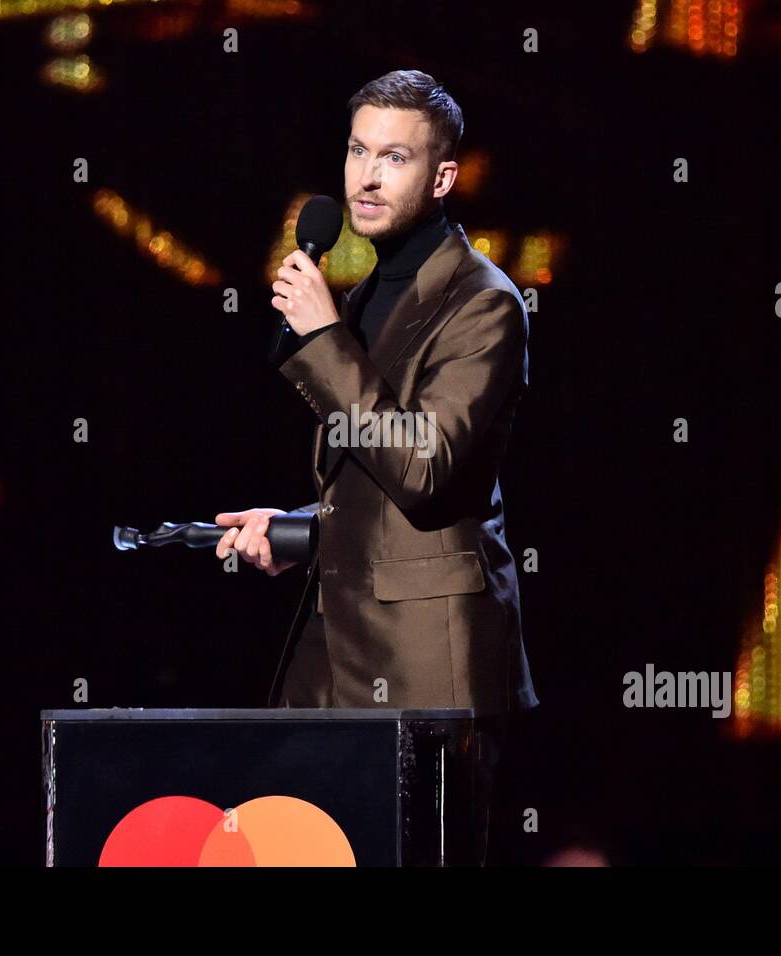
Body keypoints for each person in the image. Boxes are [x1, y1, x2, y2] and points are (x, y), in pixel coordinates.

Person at [215, 70, 539, 860]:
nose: (365, 175)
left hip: (426, 667)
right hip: (333, 660)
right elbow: (370, 491)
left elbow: (426, 468)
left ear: (442, 177)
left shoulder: (483, 303)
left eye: (394, 157)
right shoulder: (368, 293)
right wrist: (295, 531)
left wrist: (324, 341)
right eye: (358, 149)